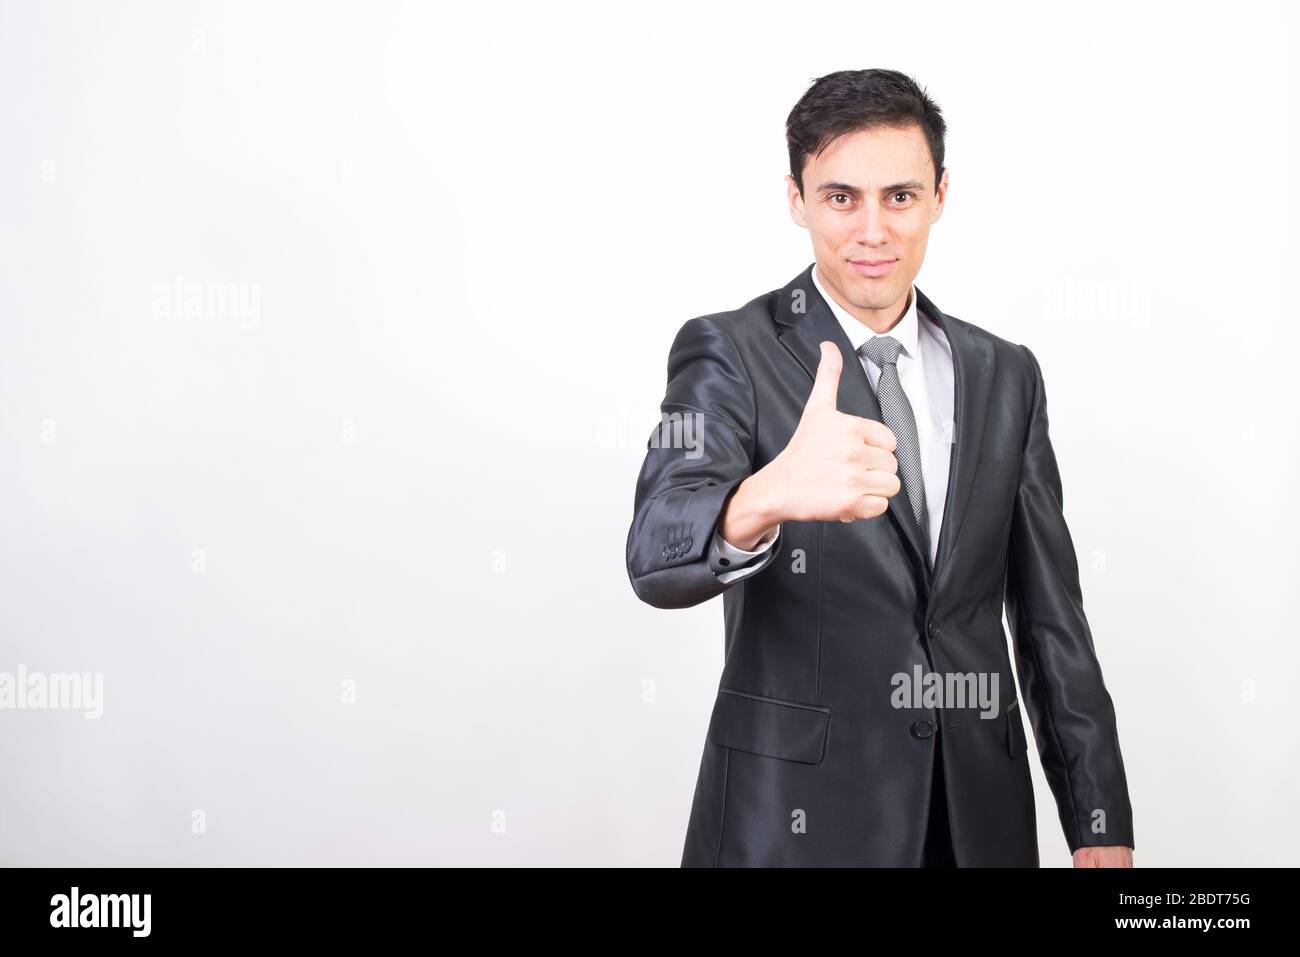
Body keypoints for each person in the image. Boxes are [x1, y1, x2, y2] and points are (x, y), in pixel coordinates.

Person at [625, 68, 1134, 867]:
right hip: (794, 819)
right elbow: (655, 550)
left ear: (939, 195)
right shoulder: (729, 350)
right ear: (796, 199)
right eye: (840, 197)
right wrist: (760, 497)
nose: (873, 230)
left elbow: (1050, 621)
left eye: (899, 196)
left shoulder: (1006, 372)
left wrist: (1098, 820)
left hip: (974, 818)